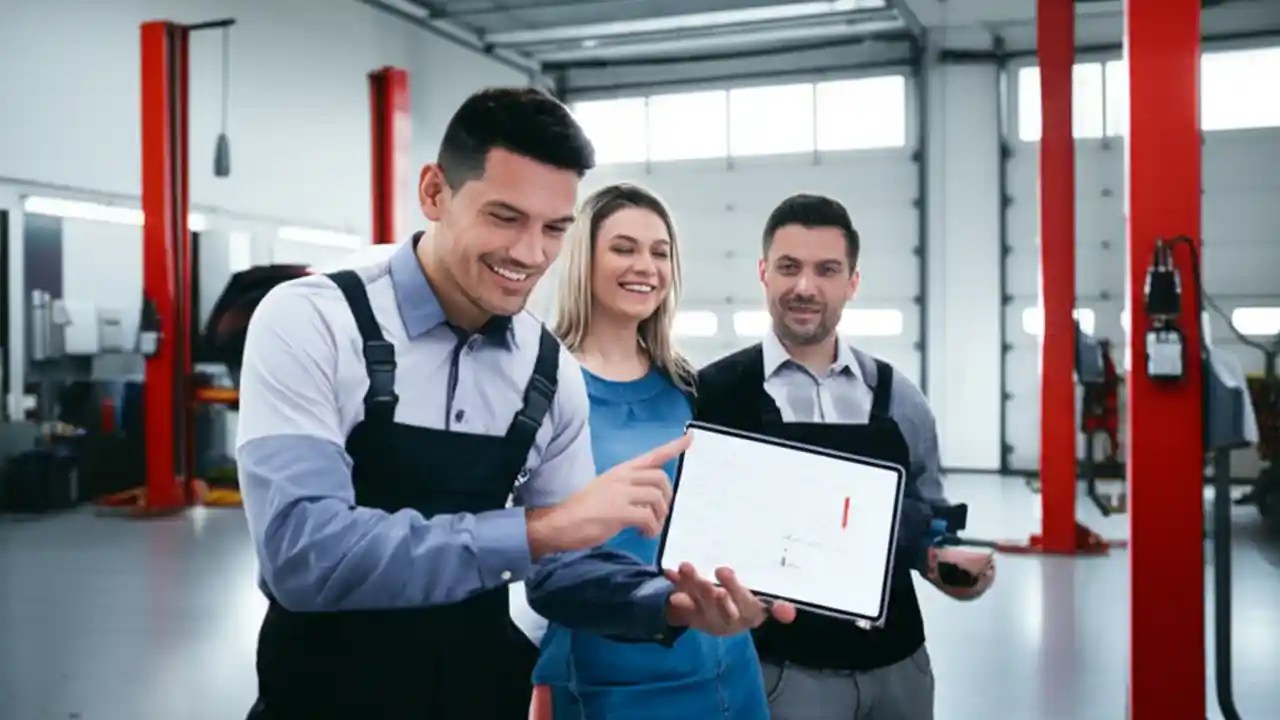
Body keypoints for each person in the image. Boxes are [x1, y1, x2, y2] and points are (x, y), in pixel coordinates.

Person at [235, 87, 793, 720]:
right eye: (504, 217)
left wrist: (666, 602)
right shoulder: (314, 322)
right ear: (434, 193)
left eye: (554, 228)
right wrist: (540, 530)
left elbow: (562, 572)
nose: (530, 254)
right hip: (319, 698)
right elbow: (303, 552)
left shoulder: (546, 366)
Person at [693, 194, 996, 720]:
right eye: (789, 267)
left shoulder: (897, 397)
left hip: (898, 669)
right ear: (763, 273)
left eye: (827, 270)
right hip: (779, 674)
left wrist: (942, 562)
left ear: (852, 282)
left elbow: (925, 522)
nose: (805, 287)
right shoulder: (713, 396)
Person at [526, 183, 775, 720]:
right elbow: (540, 551)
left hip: (729, 667)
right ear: (583, 259)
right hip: (611, 684)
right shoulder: (545, 389)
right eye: (623, 248)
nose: (645, 265)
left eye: (659, 252)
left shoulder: (690, 387)